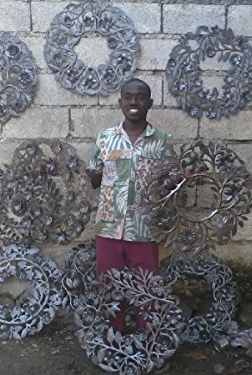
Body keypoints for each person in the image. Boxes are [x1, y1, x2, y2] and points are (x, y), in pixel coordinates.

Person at [87, 78, 172, 334]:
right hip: (109, 229)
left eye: (140, 97)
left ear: (150, 103)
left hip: (144, 230)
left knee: (148, 288)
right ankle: (116, 340)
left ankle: (149, 342)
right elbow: (93, 177)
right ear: (120, 102)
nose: (133, 101)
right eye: (128, 96)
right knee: (110, 288)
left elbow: (170, 183)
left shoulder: (162, 141)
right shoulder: (105, 139)